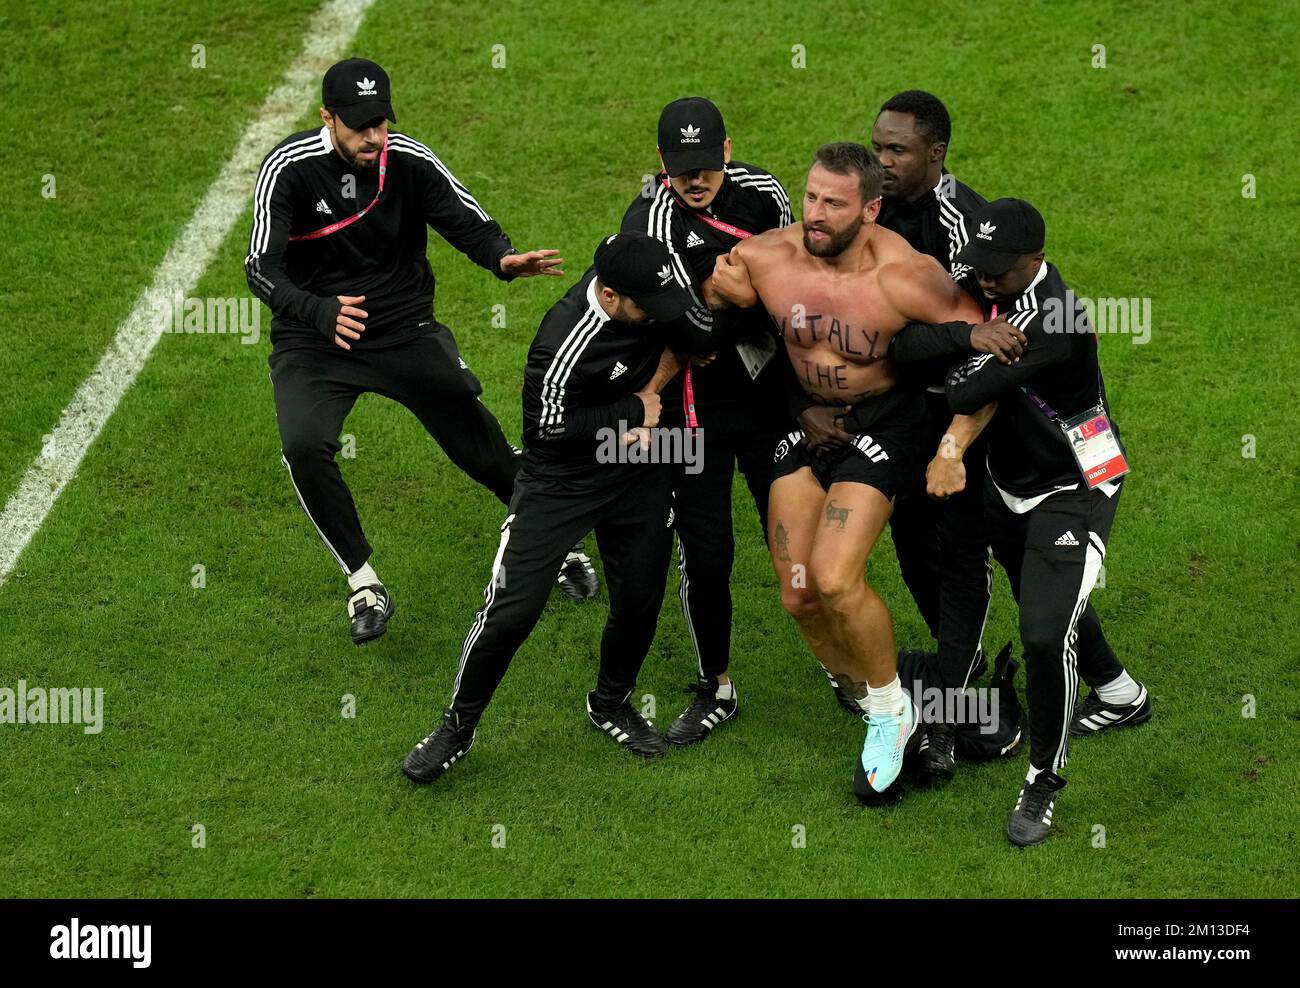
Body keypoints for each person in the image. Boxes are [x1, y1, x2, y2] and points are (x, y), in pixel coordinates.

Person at [245, 57, 597, 647]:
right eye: (360, 126)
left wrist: (502, 259)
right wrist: (318, 311)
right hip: (317, 338)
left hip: (402, 325)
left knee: (477, 440)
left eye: (381, 121)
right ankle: (363, 581)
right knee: (304, 445)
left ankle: (549, 538)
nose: (375, 137)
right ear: (326, 118)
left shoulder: (405, 157)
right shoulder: (288, 169)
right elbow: (261, 268)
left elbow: (463, 218)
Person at [707, 143, 1010, 803]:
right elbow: (708, 307)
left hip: (884, 428)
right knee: (797, 594)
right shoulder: (766, 258)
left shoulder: (908, 276)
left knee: (838, 579)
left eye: (834, 204)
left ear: (870, 209)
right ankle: (881, 696)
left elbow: (989, 361)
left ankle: (887, 713)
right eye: (811, 197)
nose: (815, 215)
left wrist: (952, 447)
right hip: (805, 424)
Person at [403, 232, 700, 784]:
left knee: (639, 597)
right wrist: (634, 409)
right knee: (513, 609)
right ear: (609, 296)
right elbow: (547, 431)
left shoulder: (656, 286)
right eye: (648, 310)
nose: (661, 316)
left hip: (641, 470)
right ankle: (457, 729)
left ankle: (610, 703)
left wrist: (652, 397)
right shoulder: (563, 342)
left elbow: (693, 340)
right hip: (562, 480)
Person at [943, 198, 1151, 845]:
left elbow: (962, 392)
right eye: (979, 267)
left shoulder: (1054, 320)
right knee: (1046, 597)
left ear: (1034, 261)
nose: (982, 281)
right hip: (1009, 479)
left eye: (997, 273)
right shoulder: (986, 277)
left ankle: (1042, 782)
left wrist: (946, 342)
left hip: (1075, 482)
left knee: (1041, 634)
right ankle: (1119, 694)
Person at [620, 96, 793, 746]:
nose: (697, 179)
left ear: (727, 151)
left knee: (798, 546)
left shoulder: (764, 195)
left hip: (768, 395)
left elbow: (793, 279)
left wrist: (730, 306)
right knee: (707, 552)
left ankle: (845, 665)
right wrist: (725, 311)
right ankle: (716, 686)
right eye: (682, 167)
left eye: (707, 164)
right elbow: (679, 330)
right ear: (663, 163)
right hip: (692, 413)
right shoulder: (647, 225)